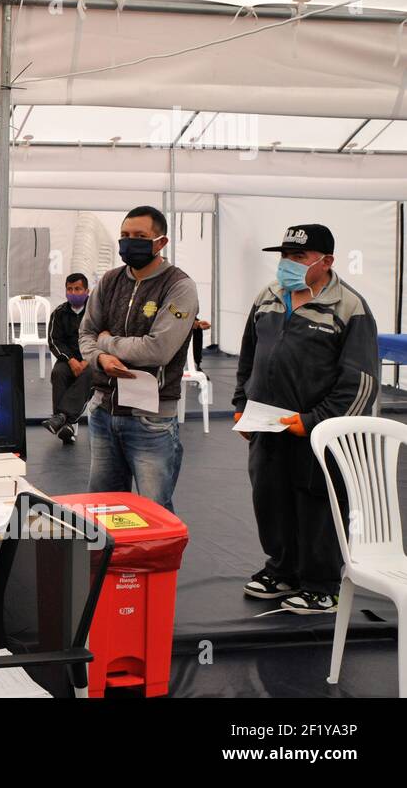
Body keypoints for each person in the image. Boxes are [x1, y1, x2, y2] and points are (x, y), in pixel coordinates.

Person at [233, 224, 379, 616]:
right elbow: (249, 355)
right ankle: (281, 570)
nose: (287, 265)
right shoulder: (267, 298)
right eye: (284, 256)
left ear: (326, 261)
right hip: (267, 426)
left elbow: (361, 382)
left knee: (316, 506)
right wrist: (241, 405)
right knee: (270, 499)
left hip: (318, 434)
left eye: (298, 258)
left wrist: (315, 422)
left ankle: (322, 585)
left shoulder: (349, 306)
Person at [79, 205, 198, 510]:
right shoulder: (109, 281)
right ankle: (107, 561)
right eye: (125, 235)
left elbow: (158, 349)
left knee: (153, 511)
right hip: (104, 410)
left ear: (161, 242)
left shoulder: (179, 286)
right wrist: (100, 359)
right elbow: (85, 335)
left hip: (152, 419)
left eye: (140, 236)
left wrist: (107, 342)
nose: (129, 242)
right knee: (102, 511)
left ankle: (152, 560)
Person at [44, 273, 92, 444]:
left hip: (92, 359)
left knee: (89, 375)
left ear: (87, 291)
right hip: (68, 359)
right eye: (69, 289)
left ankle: (62, 418)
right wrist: (71, 360)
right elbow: (54, 341)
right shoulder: (59, 313)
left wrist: (87, 360)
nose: (73, 292)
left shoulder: (96, 311)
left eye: (77, 289)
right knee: (58, 373)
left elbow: (102, 337)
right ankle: (67, 424)